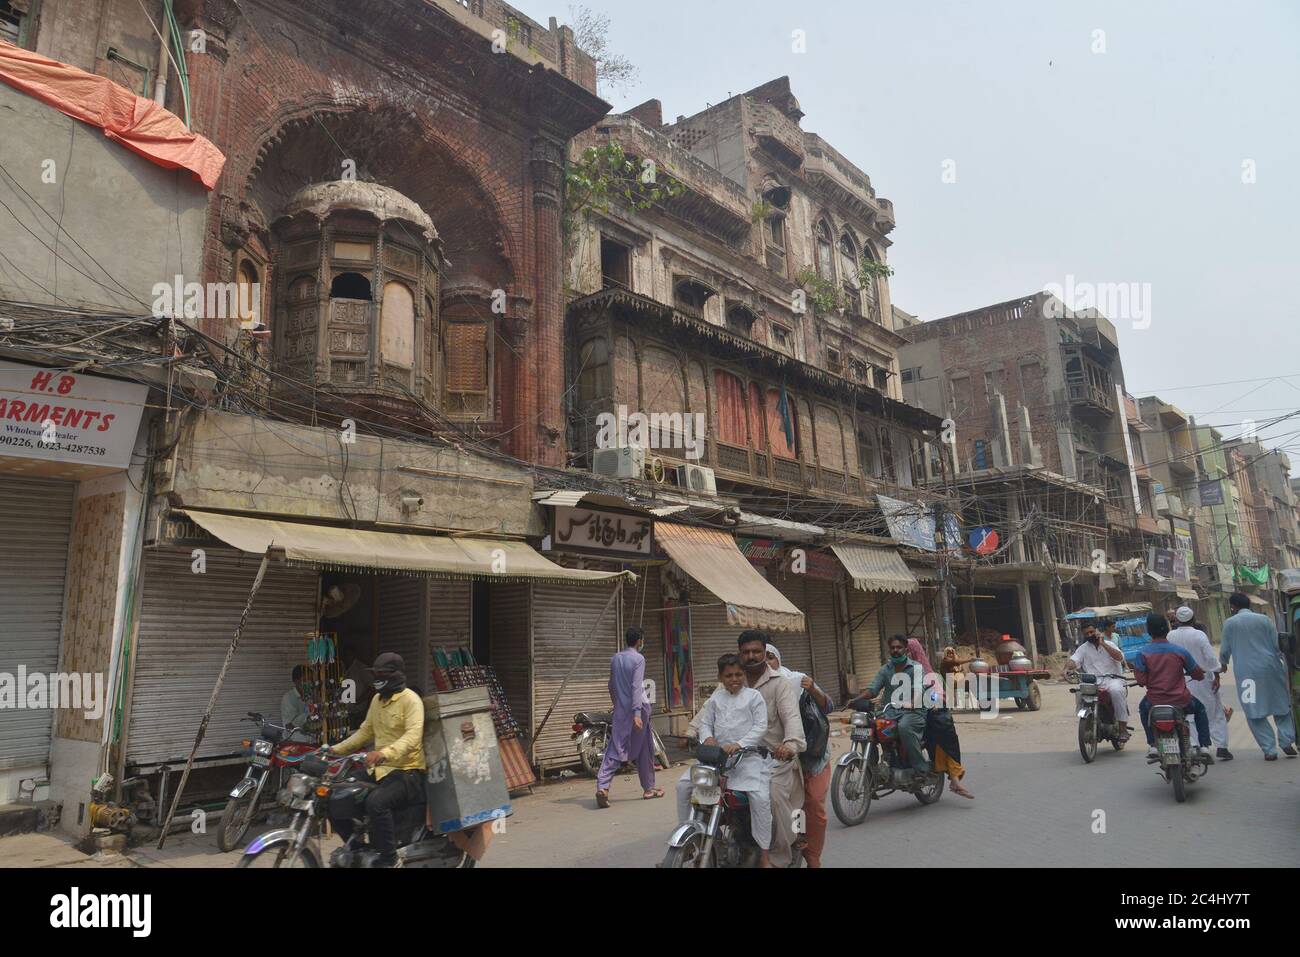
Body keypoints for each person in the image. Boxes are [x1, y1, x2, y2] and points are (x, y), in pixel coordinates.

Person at [329, 653, 426, 867]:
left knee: (377, 803)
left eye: (383, 674)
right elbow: (365, 732)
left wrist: (384, 753)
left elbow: (412, 736)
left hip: (407, 772)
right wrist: (333, 749)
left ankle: (390, 859)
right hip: (379, 770)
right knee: (335, 795)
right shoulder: (377, 700)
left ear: (396, 675)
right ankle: (357, 850)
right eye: (376, 674)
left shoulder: (411, 700)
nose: (378, 678)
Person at [680, 654, 771, 866]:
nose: (734, 679)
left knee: (760, 799)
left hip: (747, 760)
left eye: (738, 674)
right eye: (729, 675)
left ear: (745, 675)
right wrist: (708, 738)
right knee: (683, 786)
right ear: (720, 676)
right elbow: (705, 724)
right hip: (716, 761)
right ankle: (689, 840)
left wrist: (739, 744)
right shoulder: (715, 699)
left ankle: (765, 854)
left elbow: (760, 726)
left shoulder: (754, 697)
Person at [738, 629, 805, 868]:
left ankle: (778, 858)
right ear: (740, 654)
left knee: (773, 797)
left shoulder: (780, 684)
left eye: (757, 651)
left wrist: (790, 744)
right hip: (738, 760)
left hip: (775, 760)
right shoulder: (733, 680)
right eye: (746, 652)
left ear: (765, 653)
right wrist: (693, 732)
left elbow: (791, 718)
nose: (751, 656)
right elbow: (710, 709)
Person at [765, 644, 835, 867]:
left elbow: (828, 706)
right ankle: (793, 840)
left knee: (811, 803)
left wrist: (813, 689)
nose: (767, 662)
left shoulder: (796, 680)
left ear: (779, 660)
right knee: (787, 804)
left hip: (811, 756)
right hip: (778, 758)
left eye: (771, 657)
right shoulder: (755, 686)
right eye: (762, 657)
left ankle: (812, 855)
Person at [1220, 592, 1296, 760]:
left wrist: (1223, 664)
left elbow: (1225, 649)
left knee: (1253, 710)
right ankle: (1286, 741)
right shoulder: (1264, 620)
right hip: (1271, 667)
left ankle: (1269, 750)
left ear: (1233, 606)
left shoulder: (1230, 623)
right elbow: (1277, 645)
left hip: (1247, 674)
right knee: (1281, 705)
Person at [1132, 615, 1213, 763]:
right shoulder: (1180, 652)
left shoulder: (1142, 653)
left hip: (1154, 702)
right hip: (1181, 700)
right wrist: (1197, 673)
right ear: (1168, 629)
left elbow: (1141, 681)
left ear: (1149, 631)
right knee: (1200, 709)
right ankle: (1204, 746)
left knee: (1143, 710)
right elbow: (1197, 674)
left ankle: (1153, 745)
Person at [596, 627, 661, 807]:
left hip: (621, 710)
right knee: (643, 745)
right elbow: (636, 686)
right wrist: (637, 713)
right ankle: (648, 787)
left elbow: (610, 685)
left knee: (619, 745)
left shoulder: (615, 658)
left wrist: (617, 705)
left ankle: (604, 786)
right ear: (639, 640)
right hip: (638, 709)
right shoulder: (639, 659)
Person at [849, 635, 928, 775]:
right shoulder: (885, 669)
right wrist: (856, 699)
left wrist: (912, 702)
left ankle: (920, 769)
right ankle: (871, 768)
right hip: (890, 712)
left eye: (899, 647)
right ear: (889, 650)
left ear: (906, 649)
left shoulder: (916, 668)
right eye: (892, 648)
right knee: (866, 726)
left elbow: (918, 689)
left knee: (904, 727)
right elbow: (873, 689)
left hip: (913, 712)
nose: (895, 650)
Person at [1168, 606, 1232, 760]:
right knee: (1215, 713)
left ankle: (1195, 745)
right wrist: (1217, 675)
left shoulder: (1170, 636)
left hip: (1181, 681)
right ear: (1193, 619)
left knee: (1189, 715)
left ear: (1176, 620)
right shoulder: (1199, 635)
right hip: (1202, 679)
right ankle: (1221, 747)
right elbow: (1210, 659)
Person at [1066, 623, 1130, 741]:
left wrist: (1103, 643)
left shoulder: (1110, 644)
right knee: (1080, 690)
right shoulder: (1083, 648)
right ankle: (1087, 719)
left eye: (1091, 632)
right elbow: (1074, 660)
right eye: (1086, 634)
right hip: (1093, 681)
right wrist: (1069, 665)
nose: (1089, 635)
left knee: (1116, 691)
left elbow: (1120, 658)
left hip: (1113, 679)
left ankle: (1122, 729)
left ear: (1097, 631)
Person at [280, 665, 311, 730]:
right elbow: (289, 726)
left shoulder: (309, 696)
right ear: (296, 681)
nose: (309, 683)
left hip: (311, 736)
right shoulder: (288, 698)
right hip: (295, 737)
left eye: (310, 680)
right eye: (305, 680)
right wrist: (309, 714)